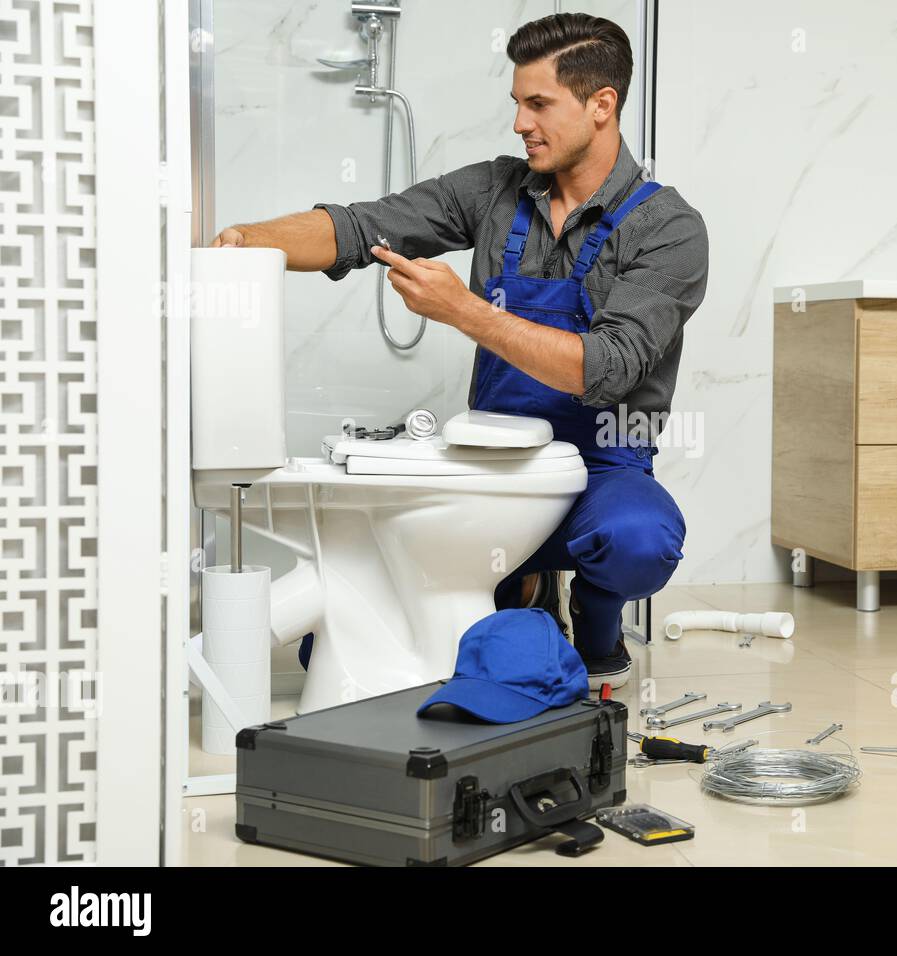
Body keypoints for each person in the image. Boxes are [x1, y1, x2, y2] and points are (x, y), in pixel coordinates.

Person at [210, 12, 709, 688]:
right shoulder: (493, 190)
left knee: (637, 540)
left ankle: (595, 614)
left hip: (601, 467)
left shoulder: (670, 228)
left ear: (602, 105)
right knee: (352, 636)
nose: (519, 124)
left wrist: (466, 312)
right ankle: (524, 587)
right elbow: (361, 227)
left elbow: (609, 366)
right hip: (496, 472)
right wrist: (247, 240)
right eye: (517, 104)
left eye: (538, 104)